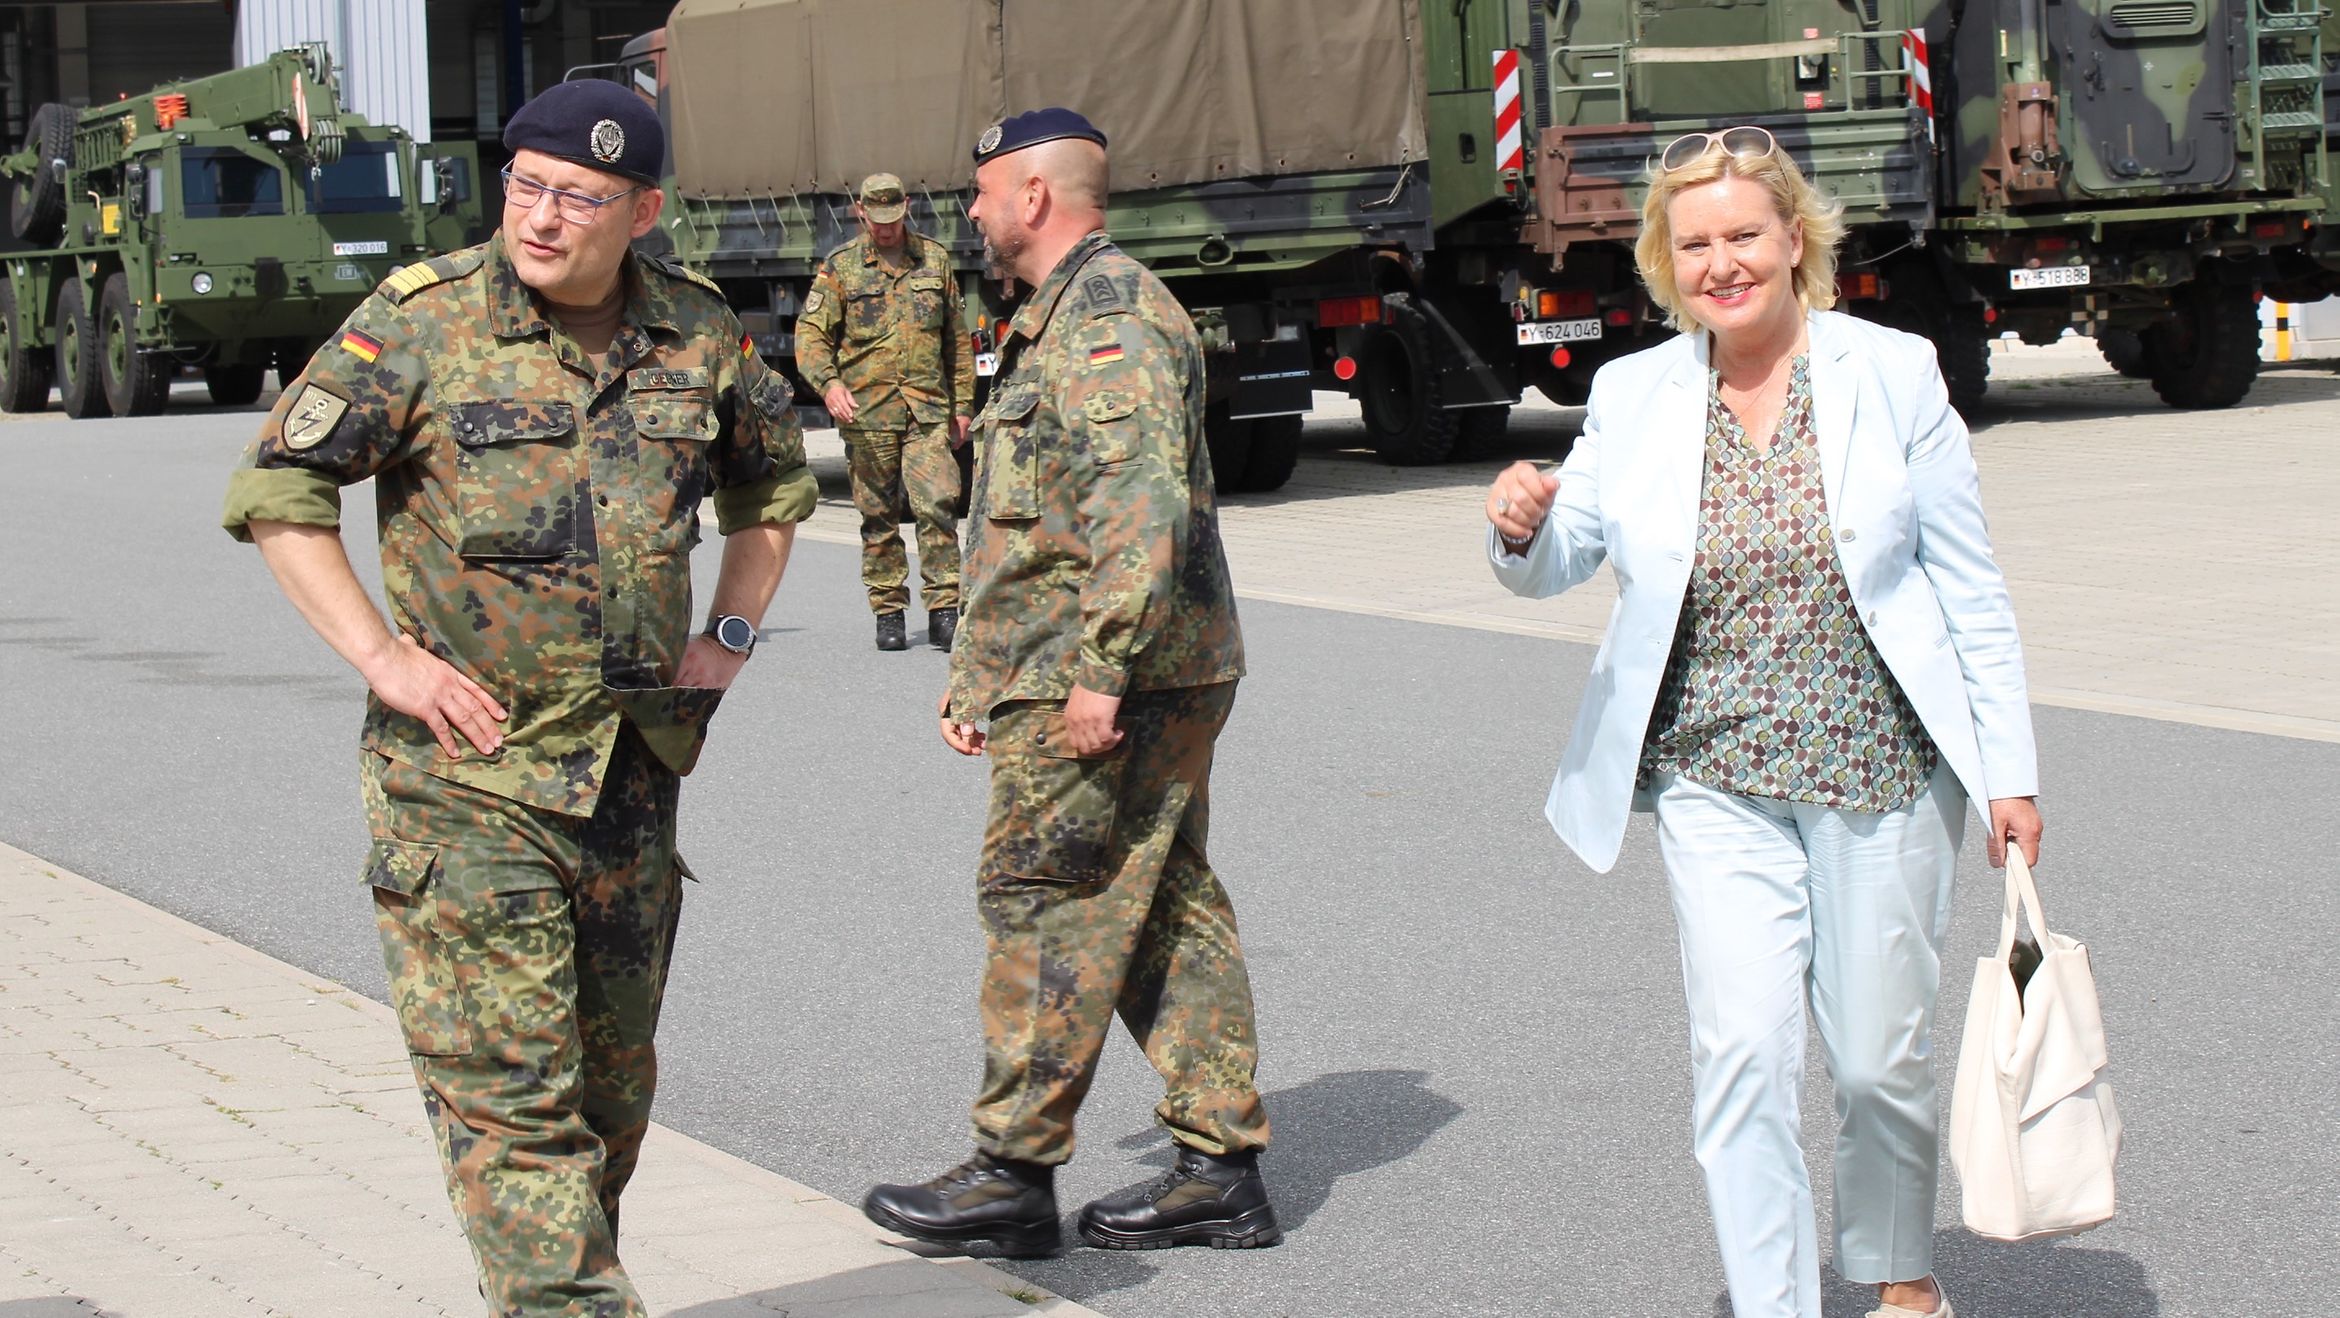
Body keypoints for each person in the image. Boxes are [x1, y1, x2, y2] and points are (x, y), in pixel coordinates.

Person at [220, 79, 815, 1317]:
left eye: (580, 199)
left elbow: (772, 492)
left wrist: (733, 631)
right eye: (527, 187)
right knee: (517, 1103)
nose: (542, 219)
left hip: (629, 782)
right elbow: (280, 491)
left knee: (608, 1101)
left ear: (642, 210)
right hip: (466, 789)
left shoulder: (698, 331)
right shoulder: (421, 322)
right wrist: (387, 659)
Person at [1484, 126, 2042, 1318]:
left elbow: (1969, 585)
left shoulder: (1890, 373)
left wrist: (2010, 769)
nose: (1722, 262)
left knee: (1878, 1060)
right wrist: (1522, 524)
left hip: (1880, 765)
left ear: (1796, 239)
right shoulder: (1634, 394)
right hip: (1711, 773)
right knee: (1739, 1055)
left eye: (1745, 234)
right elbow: (1563, 556)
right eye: (1695, 244)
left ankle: (1899, 1277)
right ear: (1664, 260)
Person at [860, 108, 1280, 1256]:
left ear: (1036, 195)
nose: (976, 213)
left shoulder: (1105, 323)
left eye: (987, 191)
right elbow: (1030, 521)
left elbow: (1135, 508)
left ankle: (1011, 1167)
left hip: (1108, 678)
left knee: (1044, 903)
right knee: (1157, 906)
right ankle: (1218, 1163)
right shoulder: (1056, 319)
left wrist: (1098, 672)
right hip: (1097, 667)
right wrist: (979, 673)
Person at [796, 171, 976, 652]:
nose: (886, 229)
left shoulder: (935, 261)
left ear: (907, 207)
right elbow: (810, 338)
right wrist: (829, 385)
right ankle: (889, 612)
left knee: (937, 505)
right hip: (868, 413)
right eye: (876, 220)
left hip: (927, 411)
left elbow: (956, 341)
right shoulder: (841, 268)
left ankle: (944, 610)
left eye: (893, 219)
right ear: (861, 211)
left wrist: (963, 406)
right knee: (878, 518)